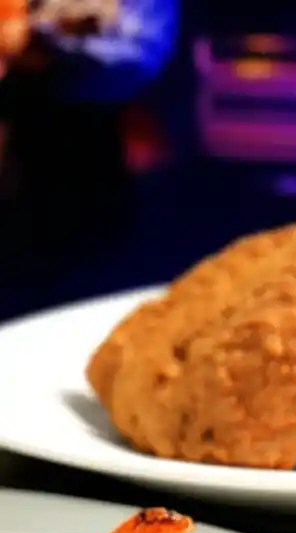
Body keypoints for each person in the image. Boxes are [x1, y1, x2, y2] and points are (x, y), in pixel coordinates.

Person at [0, 0, 179, 319]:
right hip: (15, 178)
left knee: (78, 303)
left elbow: (139, 52)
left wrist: (38, 40)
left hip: (84, 167)